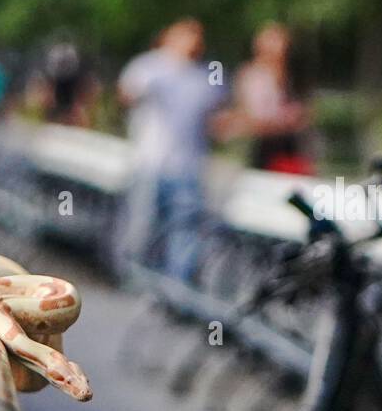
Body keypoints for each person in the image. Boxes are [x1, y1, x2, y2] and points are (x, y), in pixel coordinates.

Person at [116, 18, 225, 280]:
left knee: (185, 228)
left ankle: (176, 286)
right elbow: (125, 96)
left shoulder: (205, 76)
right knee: (143, 223)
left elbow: (215, 120)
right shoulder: (149, 66)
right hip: (152, 161)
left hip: (189, 165)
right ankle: (133, 277)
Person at [234, 23, 310, 174]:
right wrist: (285, 121)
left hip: (291, 148)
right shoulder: (253, 75)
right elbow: (252, 118)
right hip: (265, 148)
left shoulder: (290, 75)